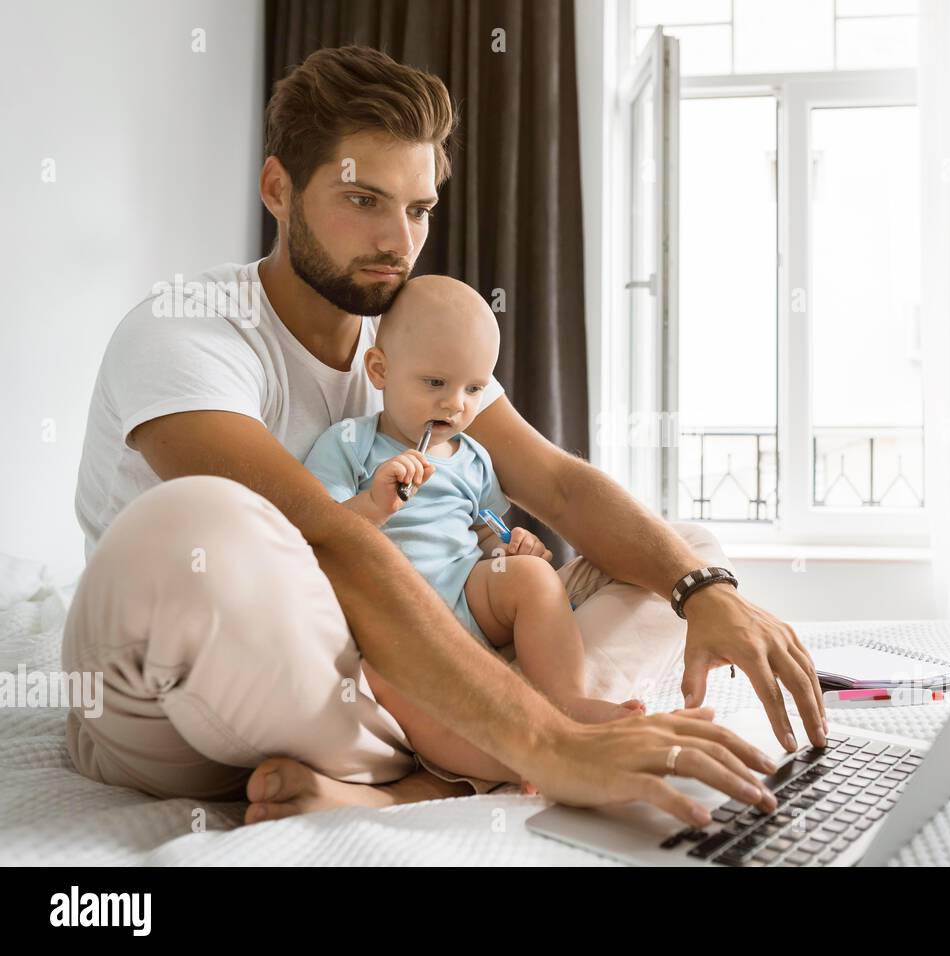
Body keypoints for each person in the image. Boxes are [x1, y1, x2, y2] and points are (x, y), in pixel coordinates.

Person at [63, 45, 826, 829]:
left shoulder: (412, 347)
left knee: (680, 548)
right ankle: (511, 745)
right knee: (200, 524)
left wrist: (705, 591)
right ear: (277, 190)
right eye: (364, 200)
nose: (399, 241)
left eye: (419, 209)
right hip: (190, 691)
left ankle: (424, 775)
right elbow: (328, 539)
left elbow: (558, 484)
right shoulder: (188, 327)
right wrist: (548, 739)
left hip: (365, 675)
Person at [305, 274, 647, 784]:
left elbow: (487, 533)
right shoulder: (349, 443)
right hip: (390, 620)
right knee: (398, 688)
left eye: (473, 388)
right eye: (435, 384)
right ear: (380, 370)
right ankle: (512, 760)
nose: (454, 404)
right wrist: (376, 504)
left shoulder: (474, 458)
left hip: (466, 598)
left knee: (532, 576)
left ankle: (566, 702)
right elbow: (321, 535)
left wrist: (511, 548)